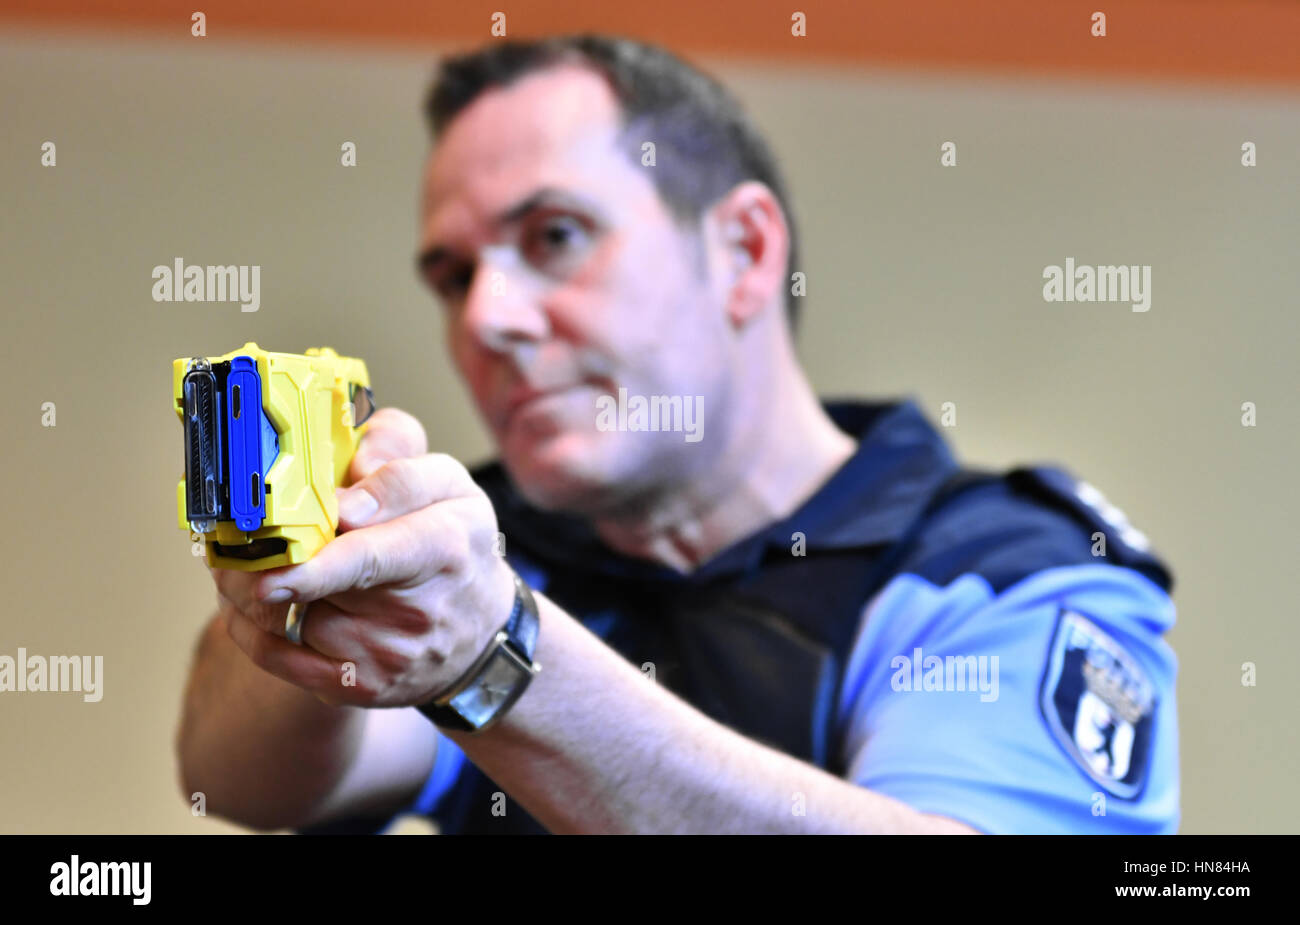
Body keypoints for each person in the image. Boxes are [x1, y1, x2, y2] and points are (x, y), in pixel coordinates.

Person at [176, 35, 1178, 835]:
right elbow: (242, 786)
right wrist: (297, 595)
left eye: (553, 236)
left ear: (743, 253)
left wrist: (499, 654)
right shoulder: (482, 544)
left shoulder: (1006, 568)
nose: (485, 318)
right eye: (453, 276)